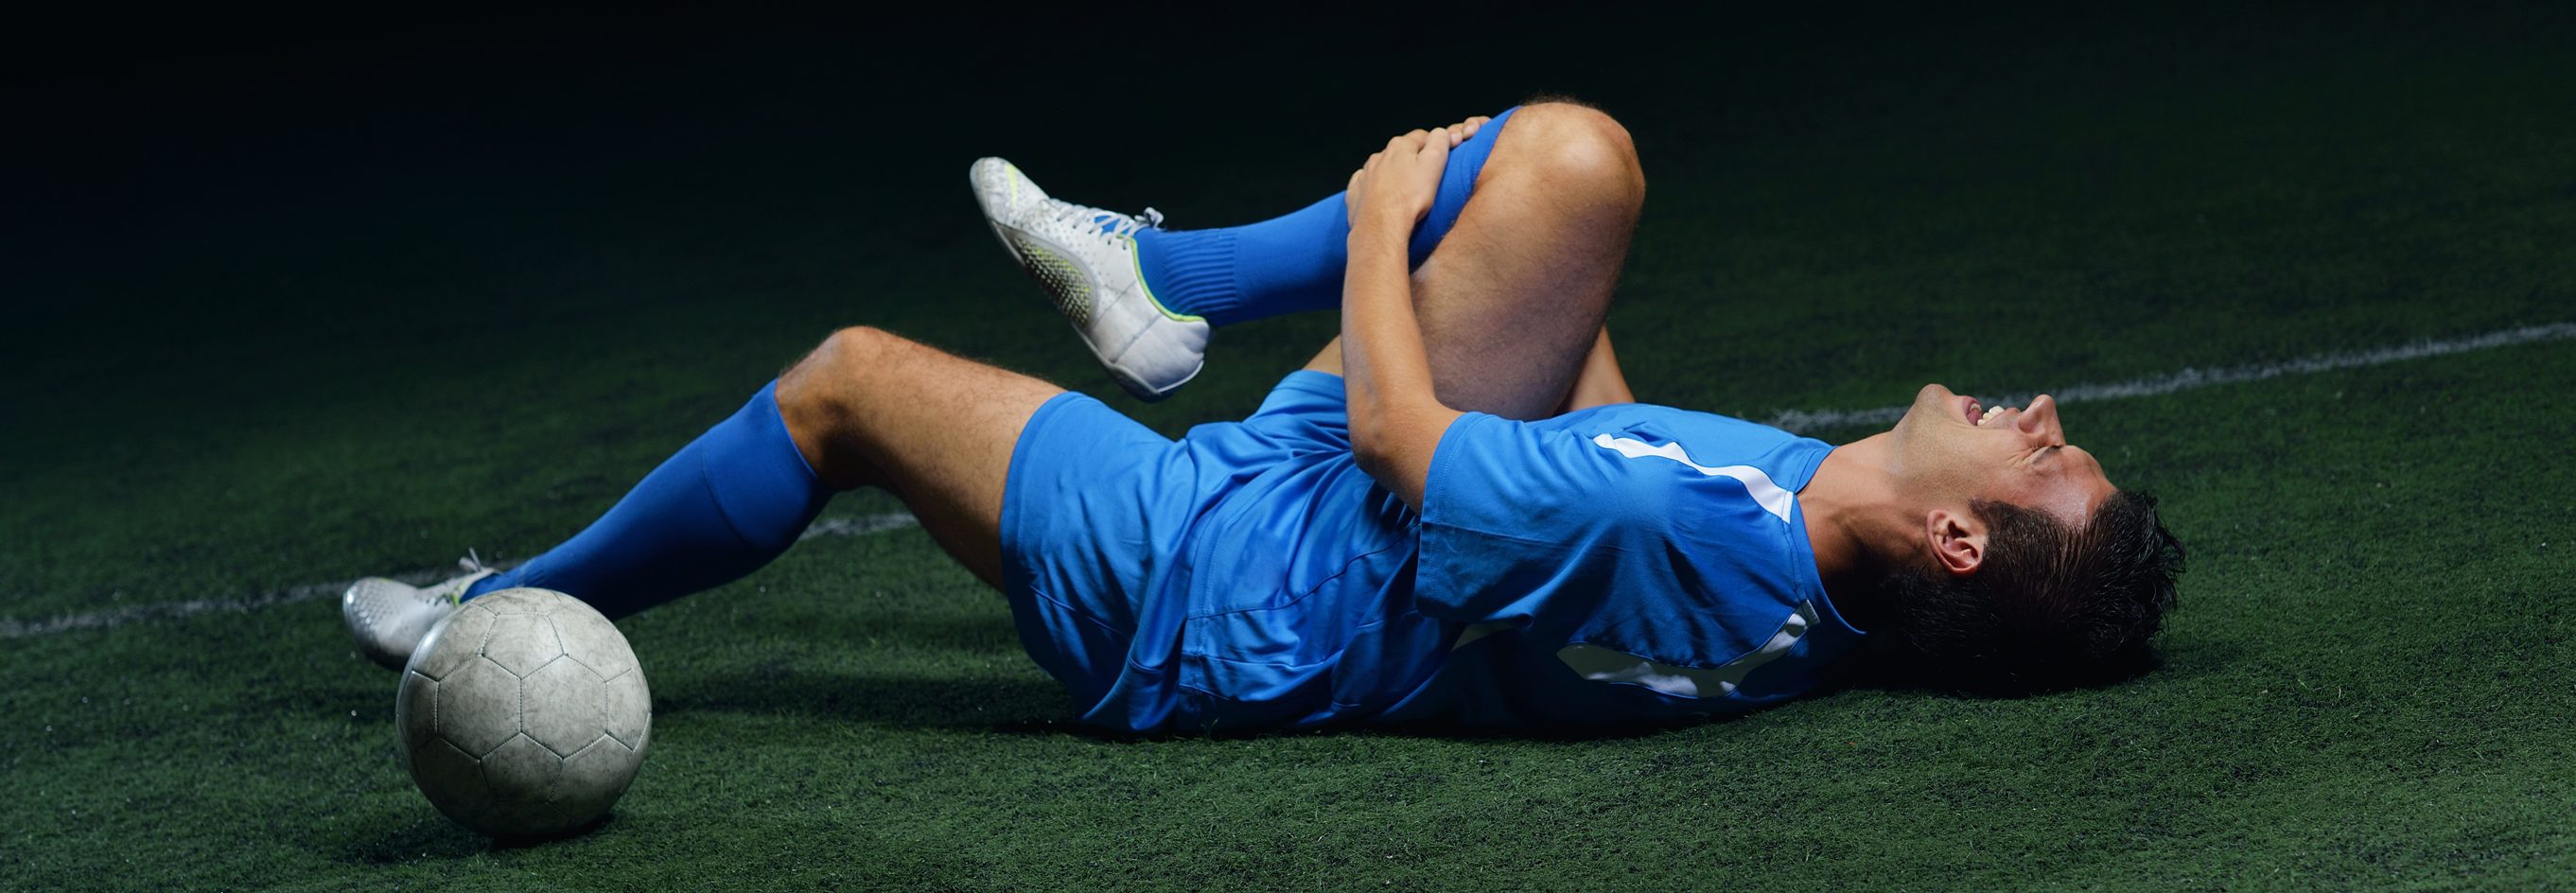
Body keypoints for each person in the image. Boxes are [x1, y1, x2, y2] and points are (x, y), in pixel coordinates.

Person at [343, 100, 2183, 734]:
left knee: (840, 383)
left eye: (2044, 455)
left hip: (1220, 584)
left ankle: (497, 608)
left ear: (1961, 539)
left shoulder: (1685, 537)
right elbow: (1580, 443)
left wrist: (1387, 223)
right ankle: (1157, 278)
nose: (2035, 411)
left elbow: (1403, 444)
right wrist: (1548, 269)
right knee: (1572, 171)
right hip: (1351, 526)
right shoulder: (1816, 557)